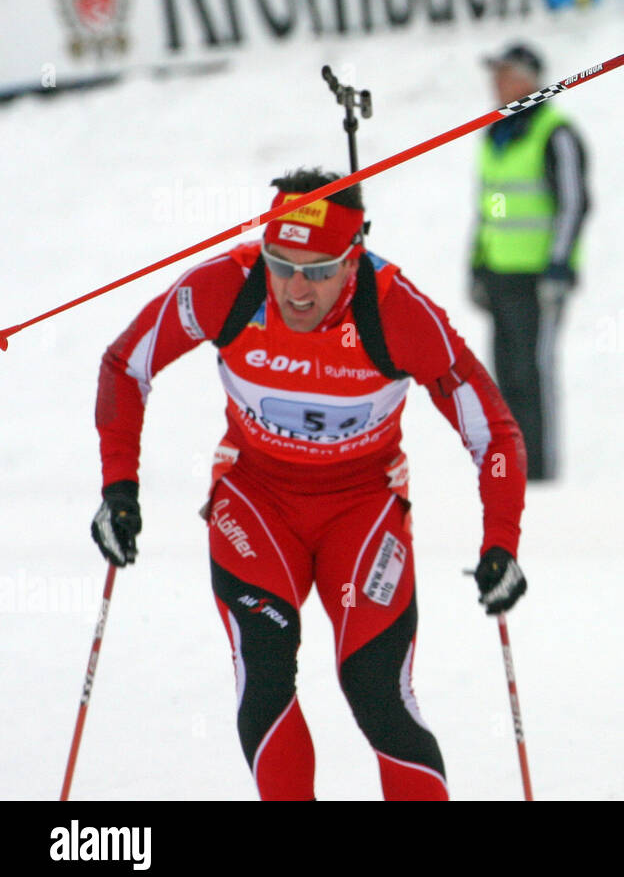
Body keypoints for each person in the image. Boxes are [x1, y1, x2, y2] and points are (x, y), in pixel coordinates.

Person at [90, 169, 529, 800]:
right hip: (256, 502)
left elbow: (492, 430)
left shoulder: (395, 309)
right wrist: (119, 488)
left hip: (363, 510)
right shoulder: (228, 287)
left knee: (378, 693)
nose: (297, 288)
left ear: (354, 259)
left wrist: (501, 542)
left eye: (320, 270)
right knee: (264, 681)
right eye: (282, 263)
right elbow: (125, 365)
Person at [470, 42, 591, 481]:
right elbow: (492, 208)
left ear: (528, 79)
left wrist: (558, 267)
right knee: (505, 377)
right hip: (502, 276)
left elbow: (573, 204)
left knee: (534, 375)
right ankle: (514, 471)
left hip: (539, 279)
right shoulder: (496, 135)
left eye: (504, 74)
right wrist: (479, 264)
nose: (496, 84)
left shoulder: (554, 132)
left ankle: (540, 473)